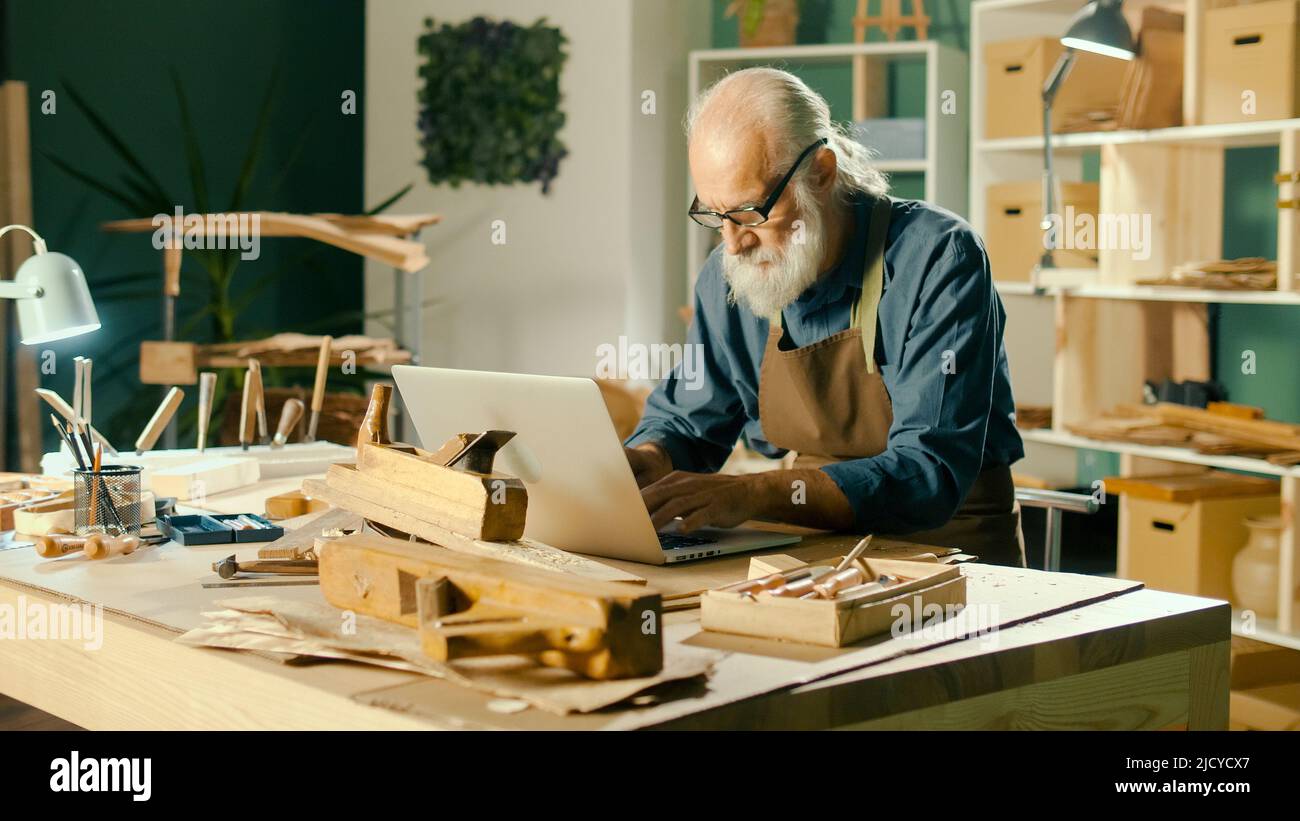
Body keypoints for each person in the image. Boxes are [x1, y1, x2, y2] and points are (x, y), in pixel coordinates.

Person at [624, 67, 1027, 566]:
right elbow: (689, 421)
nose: (732, 242)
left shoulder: (939, 256)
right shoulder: (731, 272)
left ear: (822, 171)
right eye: (714, 213)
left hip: (952, 550)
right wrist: (644, 462)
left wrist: (752, 494)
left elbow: (929, 472)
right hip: (810, 545)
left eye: (751, 212)